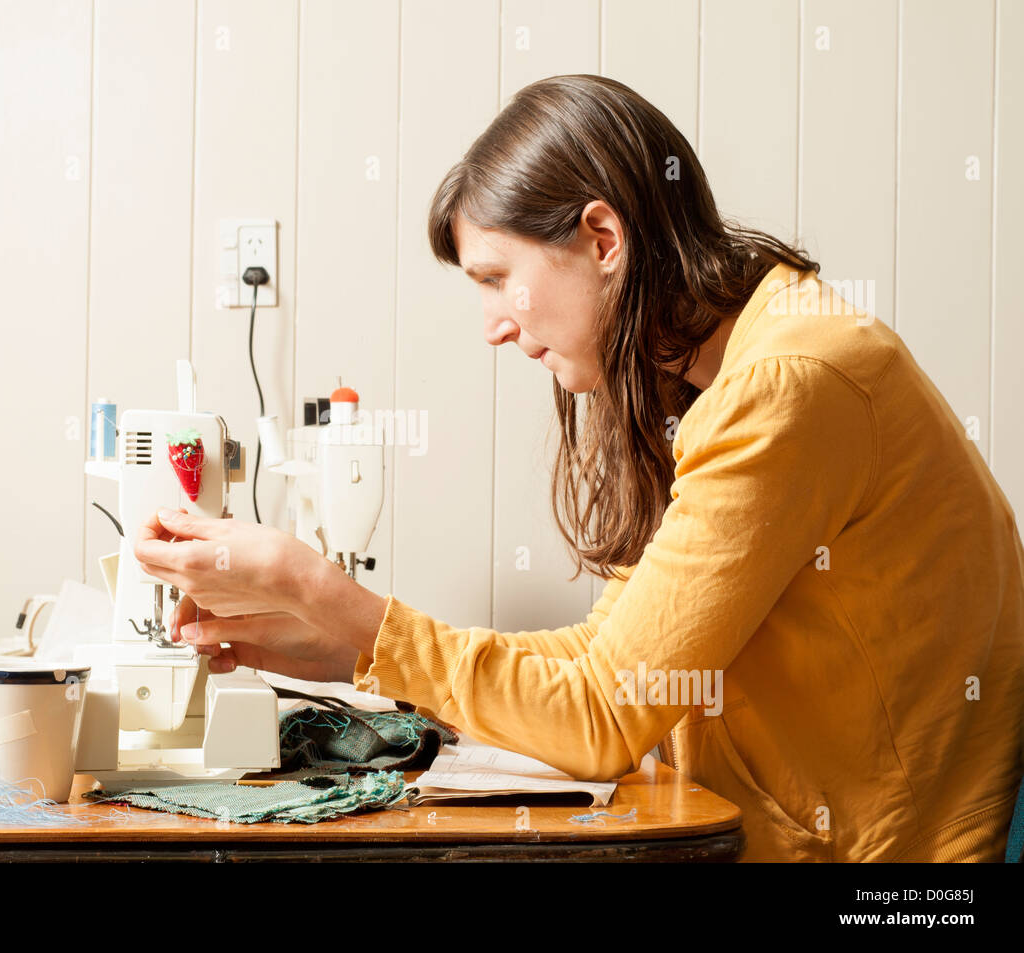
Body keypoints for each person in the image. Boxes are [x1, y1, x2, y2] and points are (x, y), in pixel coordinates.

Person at [133, 74, 1024, 862]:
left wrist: (319, 586)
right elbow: (609, 661)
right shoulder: (741, 366)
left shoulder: (788, 385)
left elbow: (603, 713)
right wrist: (355, 651)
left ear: (603, 238)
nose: (492, 324)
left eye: (497, 277)